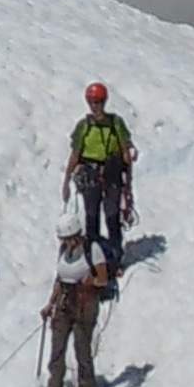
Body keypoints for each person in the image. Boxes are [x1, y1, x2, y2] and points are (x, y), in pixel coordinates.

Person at [41, 229, 116, 387]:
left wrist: (90, 282)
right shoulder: (63, 251)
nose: (65, 242)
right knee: (57, 349)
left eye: (67, 239)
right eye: (63, 239)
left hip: (85, 304)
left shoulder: (93, 249)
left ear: (75, 236)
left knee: (82, 349)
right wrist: (50, 304)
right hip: (64, 303)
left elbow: (103, 279)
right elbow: (59, 280)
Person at [66, 85, 135, 259]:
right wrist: (66, 180)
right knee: (92, 216)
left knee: (112, 215)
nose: (94, 106)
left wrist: (128, 186)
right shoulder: (84, 126)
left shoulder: (116, 124)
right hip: (90, 174)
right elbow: (75, 154)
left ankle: (115, 256)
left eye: (98, 102)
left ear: (104, 102)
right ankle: (94, 256)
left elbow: (126, 154)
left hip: (112, 173)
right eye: (91, 102)